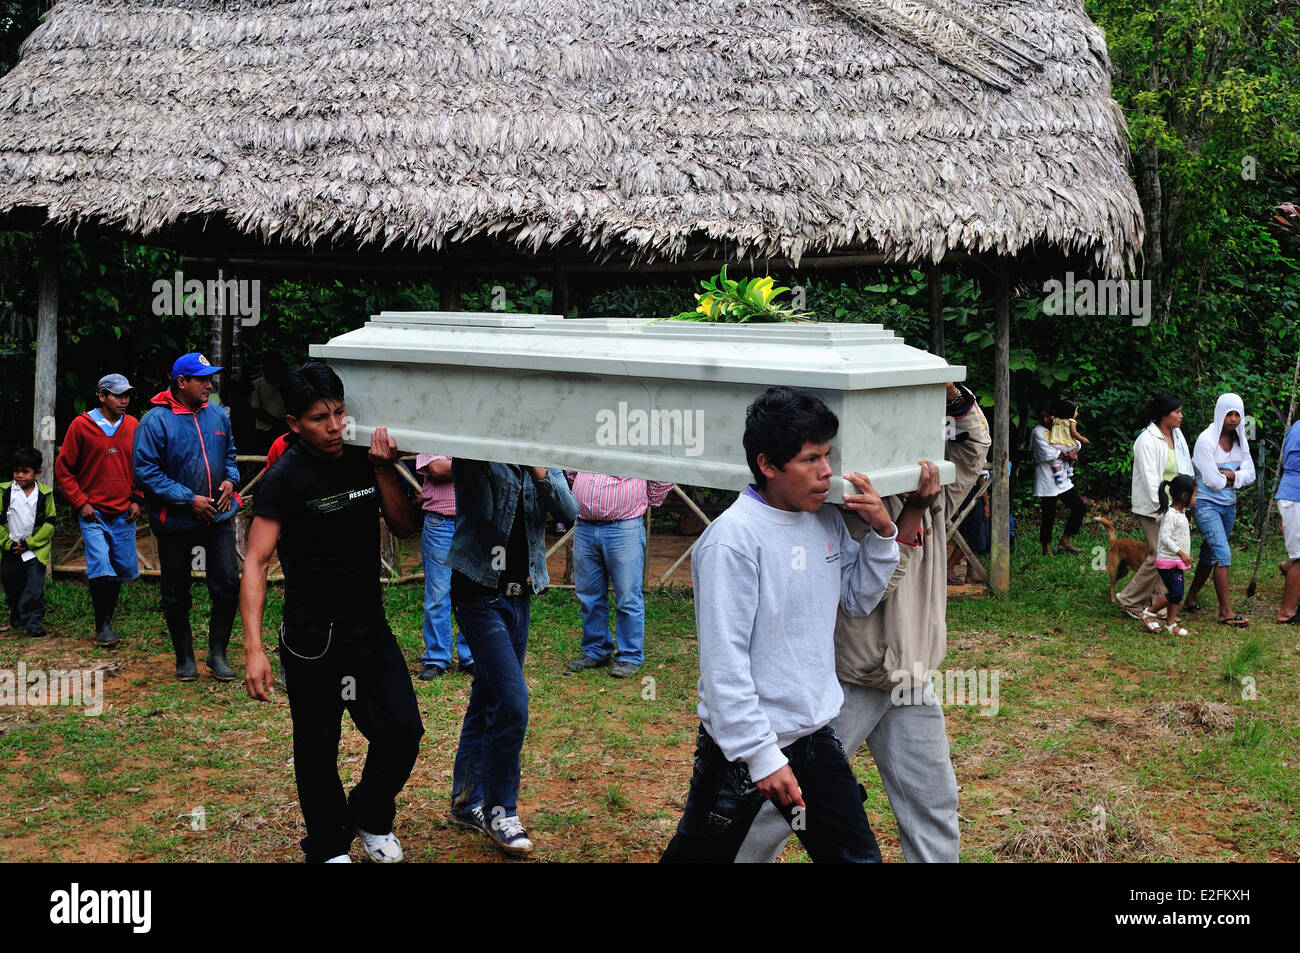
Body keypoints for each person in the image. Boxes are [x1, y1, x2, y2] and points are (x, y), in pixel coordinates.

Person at [660, 386, 900, 863]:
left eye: (827, 456)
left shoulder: (825, 521)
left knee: (856, 858)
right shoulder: (732, 542)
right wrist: (762, 758)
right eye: (810, 459)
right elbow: (723, 667)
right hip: (743, 750)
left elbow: (854, 600)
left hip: (813, 736)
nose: (826, 471)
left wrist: (883, 534)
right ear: (768, 465)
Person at [241, 362, 425, 864]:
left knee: (403, 731)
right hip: (311, 635)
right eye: (321, 417)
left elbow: (405, 527)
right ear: (294, 423)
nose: (335, 426)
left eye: (340, 413)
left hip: (369, 625)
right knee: (318, 748)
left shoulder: (365, 459)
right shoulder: (284, 479)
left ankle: (368, 811)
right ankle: (326, 844)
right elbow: (256, 562)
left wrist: (385, 467)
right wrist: (254, 648)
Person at [445, 457, 578, 855]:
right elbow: (481, 513)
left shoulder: (542, 459)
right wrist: (481, 461)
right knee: (512, 700)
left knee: (488, 695)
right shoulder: (476, 455)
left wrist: (539, 471)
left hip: (520, 596)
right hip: (479, 593)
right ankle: (501, 809)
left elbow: (570, 513)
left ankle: (467, 801)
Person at [133, 352, 242, 680]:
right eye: (202, 379)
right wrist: (187, 499)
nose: (210, 385)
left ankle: (217, 654)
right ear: (182, 382)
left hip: (218, 517)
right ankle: (184, 658)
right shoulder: (155, 421)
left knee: (227, 585)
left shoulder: (218, 417)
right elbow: (145, 473)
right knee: (175, 592)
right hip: (175, 522)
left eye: (211, 378)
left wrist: (231, 479)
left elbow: (232, 456)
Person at [54, 373, 144, 646]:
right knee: (100, 566)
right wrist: (80, 502)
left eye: (127, 395)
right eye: (117, 395)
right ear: (102, 396)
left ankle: (108, 618)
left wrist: (137, 498)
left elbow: (143, 464)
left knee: (120, 567)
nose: (124, 400)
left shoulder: (133, 425)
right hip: (92, 512)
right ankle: (101, 624)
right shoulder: (81, 425)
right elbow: (64, 468)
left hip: (124, 511)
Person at [565, 472, 674, 679]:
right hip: (585, 525)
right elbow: (572, 468)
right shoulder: (588, 440)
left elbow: (664, 474)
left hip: (624, 526)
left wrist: (646, 499)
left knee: (627, 597)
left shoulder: (635, 440)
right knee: (589, 595)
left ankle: (630, 656)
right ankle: (596, 651)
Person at [1118, 394, 1194, 619]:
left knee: (1168, 556)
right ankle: (1130, 599)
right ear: (1163, 415)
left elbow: (1185, 467)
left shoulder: (1177, 435)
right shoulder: (1147, 439)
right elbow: (1152, 481)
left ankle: (1159, 603)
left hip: (1175, 505)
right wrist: (1165, 511)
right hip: (1154, 507)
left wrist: (1184, 505)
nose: (1181, 416)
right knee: (1157, 555)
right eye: (1177, 412)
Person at [1184, 393, 1255, 627]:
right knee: (1223, 554)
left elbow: (1251, 474)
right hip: (1205, 503)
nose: (1233, 419)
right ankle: (1225, 612)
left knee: (1210, 553)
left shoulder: (1241, 439)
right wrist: (1236, 476)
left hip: (1228, 505)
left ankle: (1190, 598)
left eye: (1237, 414)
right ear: (1219, 414)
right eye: (1229, 414)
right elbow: (1213, 482)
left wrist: (1232, 475)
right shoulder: (1206, 440)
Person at [414, 453, 474, 679]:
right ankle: (437, 658)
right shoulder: (435, 428)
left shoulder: (472, 428)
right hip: (440, 521)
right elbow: (438, 468)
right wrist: (478, 465)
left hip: (474, 521)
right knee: (438, 594)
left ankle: (470, 656)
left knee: (472, 591)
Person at [1, 448, 56, 637]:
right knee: (11, 585)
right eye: (16, 471)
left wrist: (30, 543)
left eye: (25, 471)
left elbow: (50, 524)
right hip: (10, 549)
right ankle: (16, 611)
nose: (20, 475)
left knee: (34, 587)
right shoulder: (4, 491)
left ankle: (33, 621)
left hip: (34, 550)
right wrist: (7, 544)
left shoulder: (45, 494)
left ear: (37, 473)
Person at [1140, 475, 1196, 637]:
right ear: (1185, 496)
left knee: (1176, 591)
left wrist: (1185, 526)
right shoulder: (1171, 514)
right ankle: (1149, 613)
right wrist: (1181, 553)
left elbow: (1165, 523)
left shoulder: (1178, 514)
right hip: (1168, 561)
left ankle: (1170, 623)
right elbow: (1164, 537)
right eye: (1194, 495)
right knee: (1176, 593)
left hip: (1175, 562)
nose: (1195, 499)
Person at [1031, 400, 1087, 554]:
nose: (1045, 420)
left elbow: (1076, 443)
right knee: (1049, 513)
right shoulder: (1037, 432)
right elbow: (1048, 454)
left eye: (1048, 416)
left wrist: (1072, 451)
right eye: (1042, 417)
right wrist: (1069, 453)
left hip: (1063, 476)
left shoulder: (1062, 426)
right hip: (1046, 478)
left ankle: (1065, 541)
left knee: (1079, 507)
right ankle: (1046, 547)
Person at [1276, 418, 1300, 624]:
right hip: (1294, 497)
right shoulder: (1299, 429)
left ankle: (1287, 566)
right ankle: (1287, 612)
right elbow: (1292, 462)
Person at [1048, 399, 1088, 482]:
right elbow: (1074, 433)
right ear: (1070, 412)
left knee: (1056, 460)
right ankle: (1070, 467)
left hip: (1056, 444)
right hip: (1068, 445)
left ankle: (1058, 475)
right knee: (1077, 445)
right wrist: (1083, 439)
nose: (1077, 413)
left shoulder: (1054, 419)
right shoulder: (1071, 421)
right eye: (1076, 411)